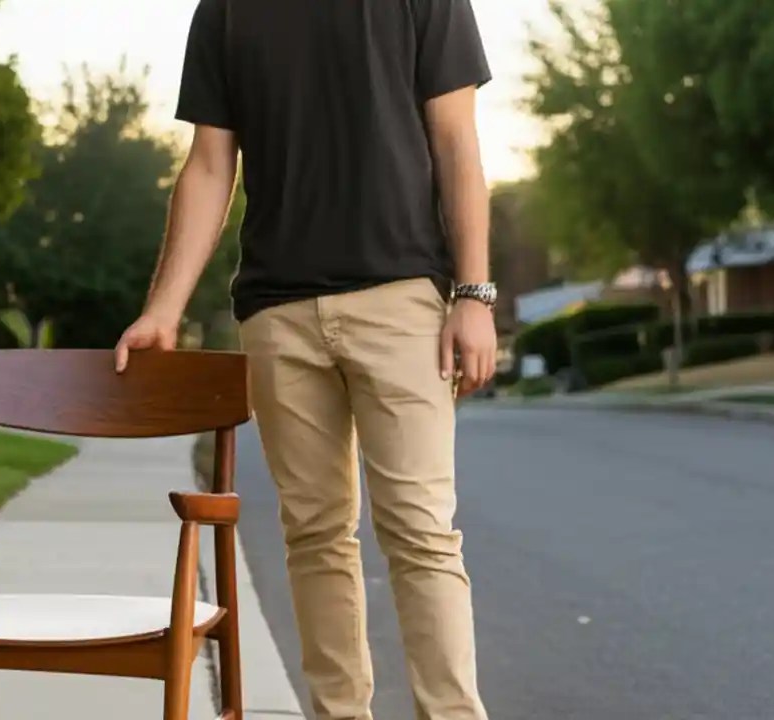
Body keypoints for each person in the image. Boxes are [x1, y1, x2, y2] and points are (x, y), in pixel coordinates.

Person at [115, 1, 495, 718]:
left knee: (419, 530)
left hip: (402, 299)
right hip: (278, 312)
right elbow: (208, 164)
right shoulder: (226, 8)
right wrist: (163, 309)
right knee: (315, 533)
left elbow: (456, 142)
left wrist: (473, 295)